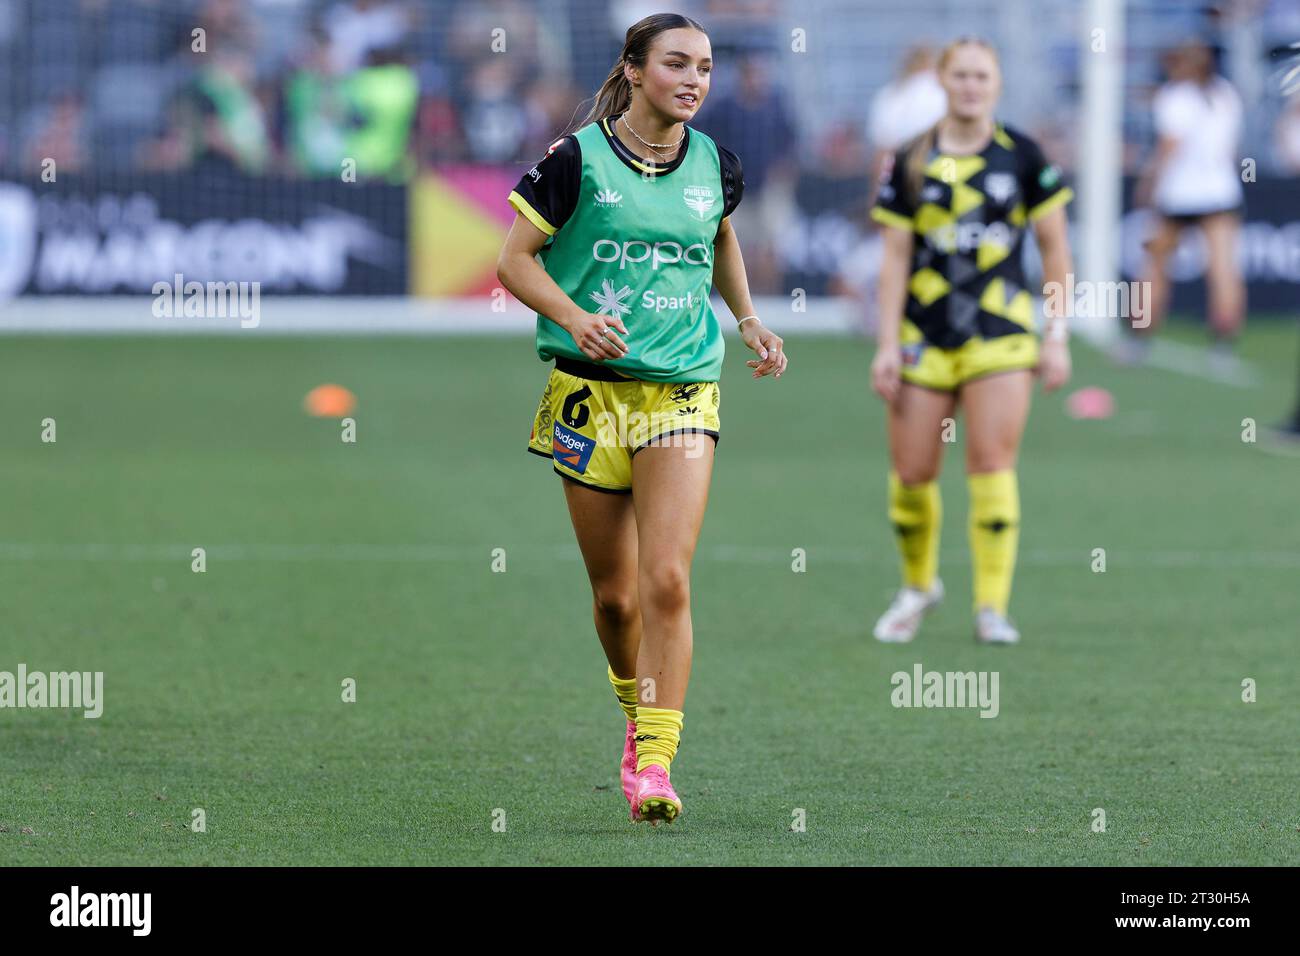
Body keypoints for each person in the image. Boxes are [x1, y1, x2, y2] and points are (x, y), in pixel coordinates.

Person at [496, 13, 787, 824]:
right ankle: (635, 710)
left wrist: (750, 319)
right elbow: (513, 261)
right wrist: (574, 316)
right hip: (588, 397)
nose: (694, 79)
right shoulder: (573, 160)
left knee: (667, 579)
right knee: (616, 600)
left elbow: (720, 238)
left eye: (704, 66)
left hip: (683, 390)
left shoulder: (713, 162)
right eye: (676, 64)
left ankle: (655, 765)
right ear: (632, 69)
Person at [869, 37, 1073, 645]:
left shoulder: (1024, 155)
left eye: (982, 76)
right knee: (911, 475)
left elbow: (1057, 249)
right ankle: (918, 586)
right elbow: (894, 260)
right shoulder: (909, 158)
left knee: (991, 464)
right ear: (942, 80)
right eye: (960, 75)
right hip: (922, 336)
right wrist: (885, 344)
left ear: (998, 84)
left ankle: (992, 606)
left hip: (1002, 332)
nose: (970, 86)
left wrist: (1056, 335)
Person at [1127, 40, 1245, 368]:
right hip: (1220, 193)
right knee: (1223, 270)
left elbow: (1169, 148)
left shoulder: (1175, 96)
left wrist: (1148, 186)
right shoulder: (1225, 93)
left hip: (1177, 195)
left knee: (1154, 268)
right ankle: (1223, 346)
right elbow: (1230, 148)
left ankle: (1139, 341)